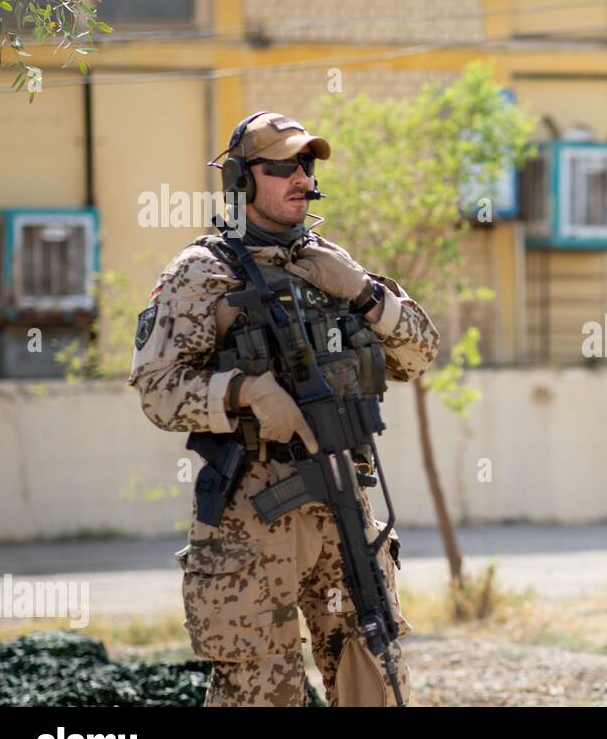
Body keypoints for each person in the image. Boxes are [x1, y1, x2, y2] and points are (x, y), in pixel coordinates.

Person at [128, 111, 440, 706]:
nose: (302, 177)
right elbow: (158, 389)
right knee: (260, 692)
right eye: (283, 166)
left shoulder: (329, 264)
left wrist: (366, 293)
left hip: (343, 501)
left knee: (374, 681)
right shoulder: (202, 273)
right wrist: (241, 392)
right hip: (252, 515)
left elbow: (420, 354)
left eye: (307, 165)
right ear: (243, 181)